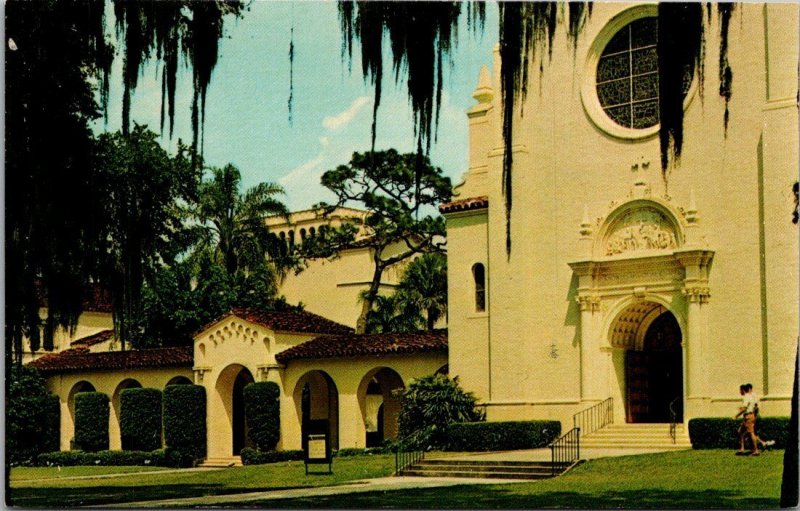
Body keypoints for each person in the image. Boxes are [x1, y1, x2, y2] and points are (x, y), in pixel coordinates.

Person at [735, 383, 775, 455]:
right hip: (749, 416)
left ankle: (756, 450)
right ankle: (742, 449)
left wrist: (736, 416)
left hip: (748, 417)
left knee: (751, 433)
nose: (739, 392)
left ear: (743, 390)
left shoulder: (746, 397)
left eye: (740, 390)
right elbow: (752, 406)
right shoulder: (751, 397)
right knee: (740, 431)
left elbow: (745, 408)